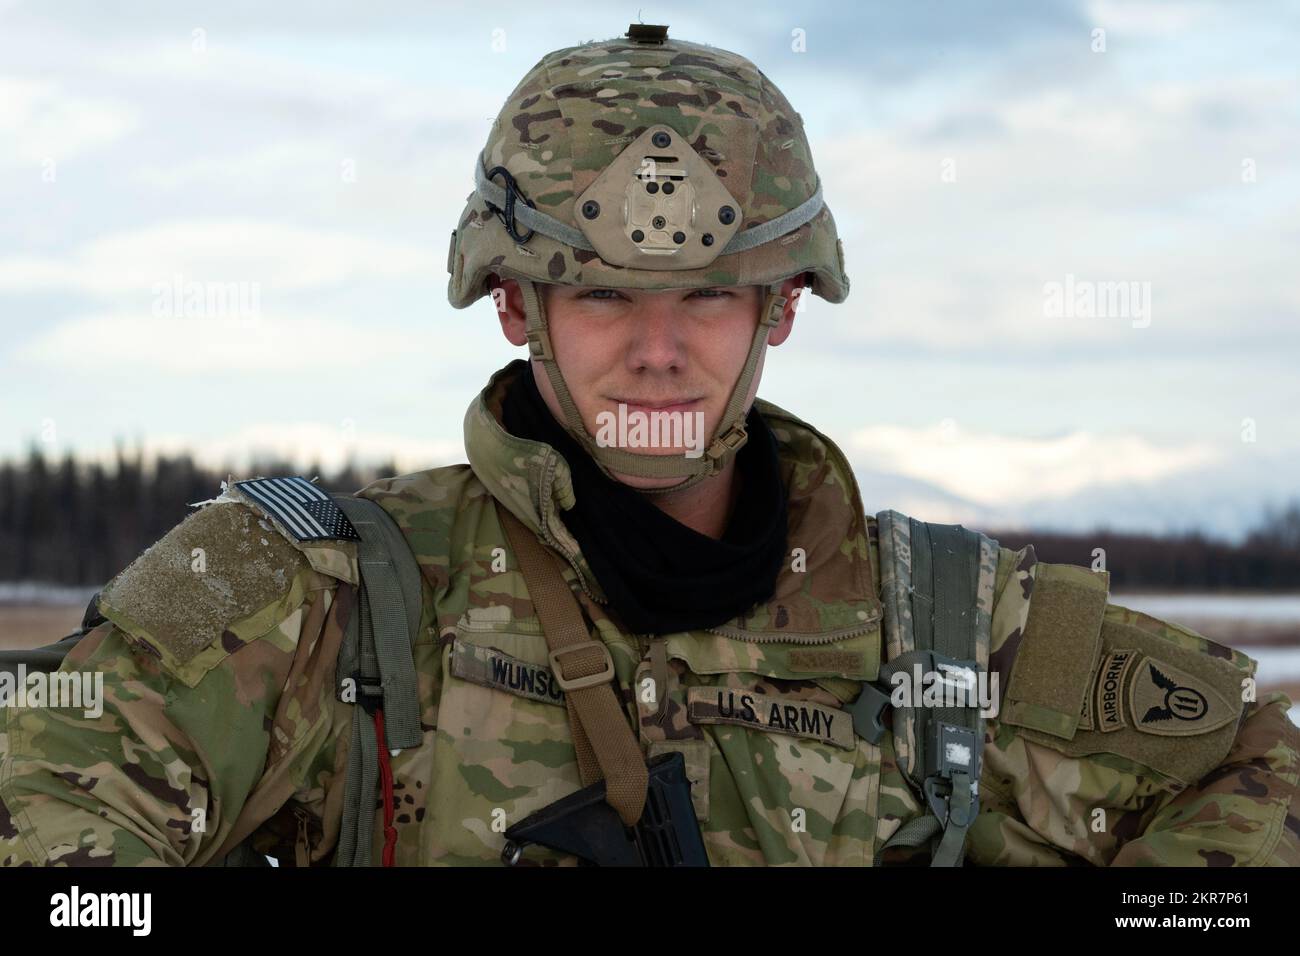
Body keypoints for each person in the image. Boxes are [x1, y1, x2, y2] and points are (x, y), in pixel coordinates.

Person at [1, 25, 1296, 868]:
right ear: (518, 309)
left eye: (708, 298)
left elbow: (1258, 766)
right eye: (605, 295)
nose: (659, 350)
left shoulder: (952, 626)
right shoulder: (317, 596)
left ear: (781, 308)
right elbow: (43, 784)